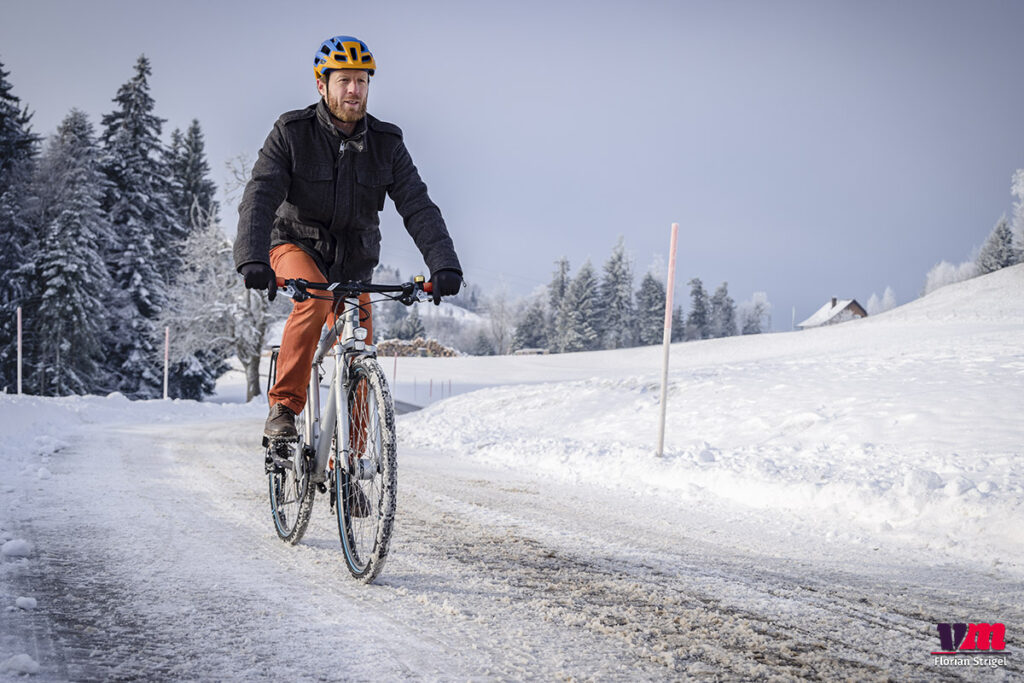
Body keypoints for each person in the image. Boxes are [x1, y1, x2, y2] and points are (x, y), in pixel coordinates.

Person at [233, 35, 463, 439]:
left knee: (361, 347)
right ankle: (284, 409)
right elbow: (260, 193)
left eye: (361, 81)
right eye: (344, 81)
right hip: (294, 244)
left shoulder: (387, 143)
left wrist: (443, 263)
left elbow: (417, 204)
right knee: (316, 297)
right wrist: (251, 257)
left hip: (355, 262)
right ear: (322, 85)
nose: (354, 90)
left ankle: (353, 464)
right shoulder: (292, 132)